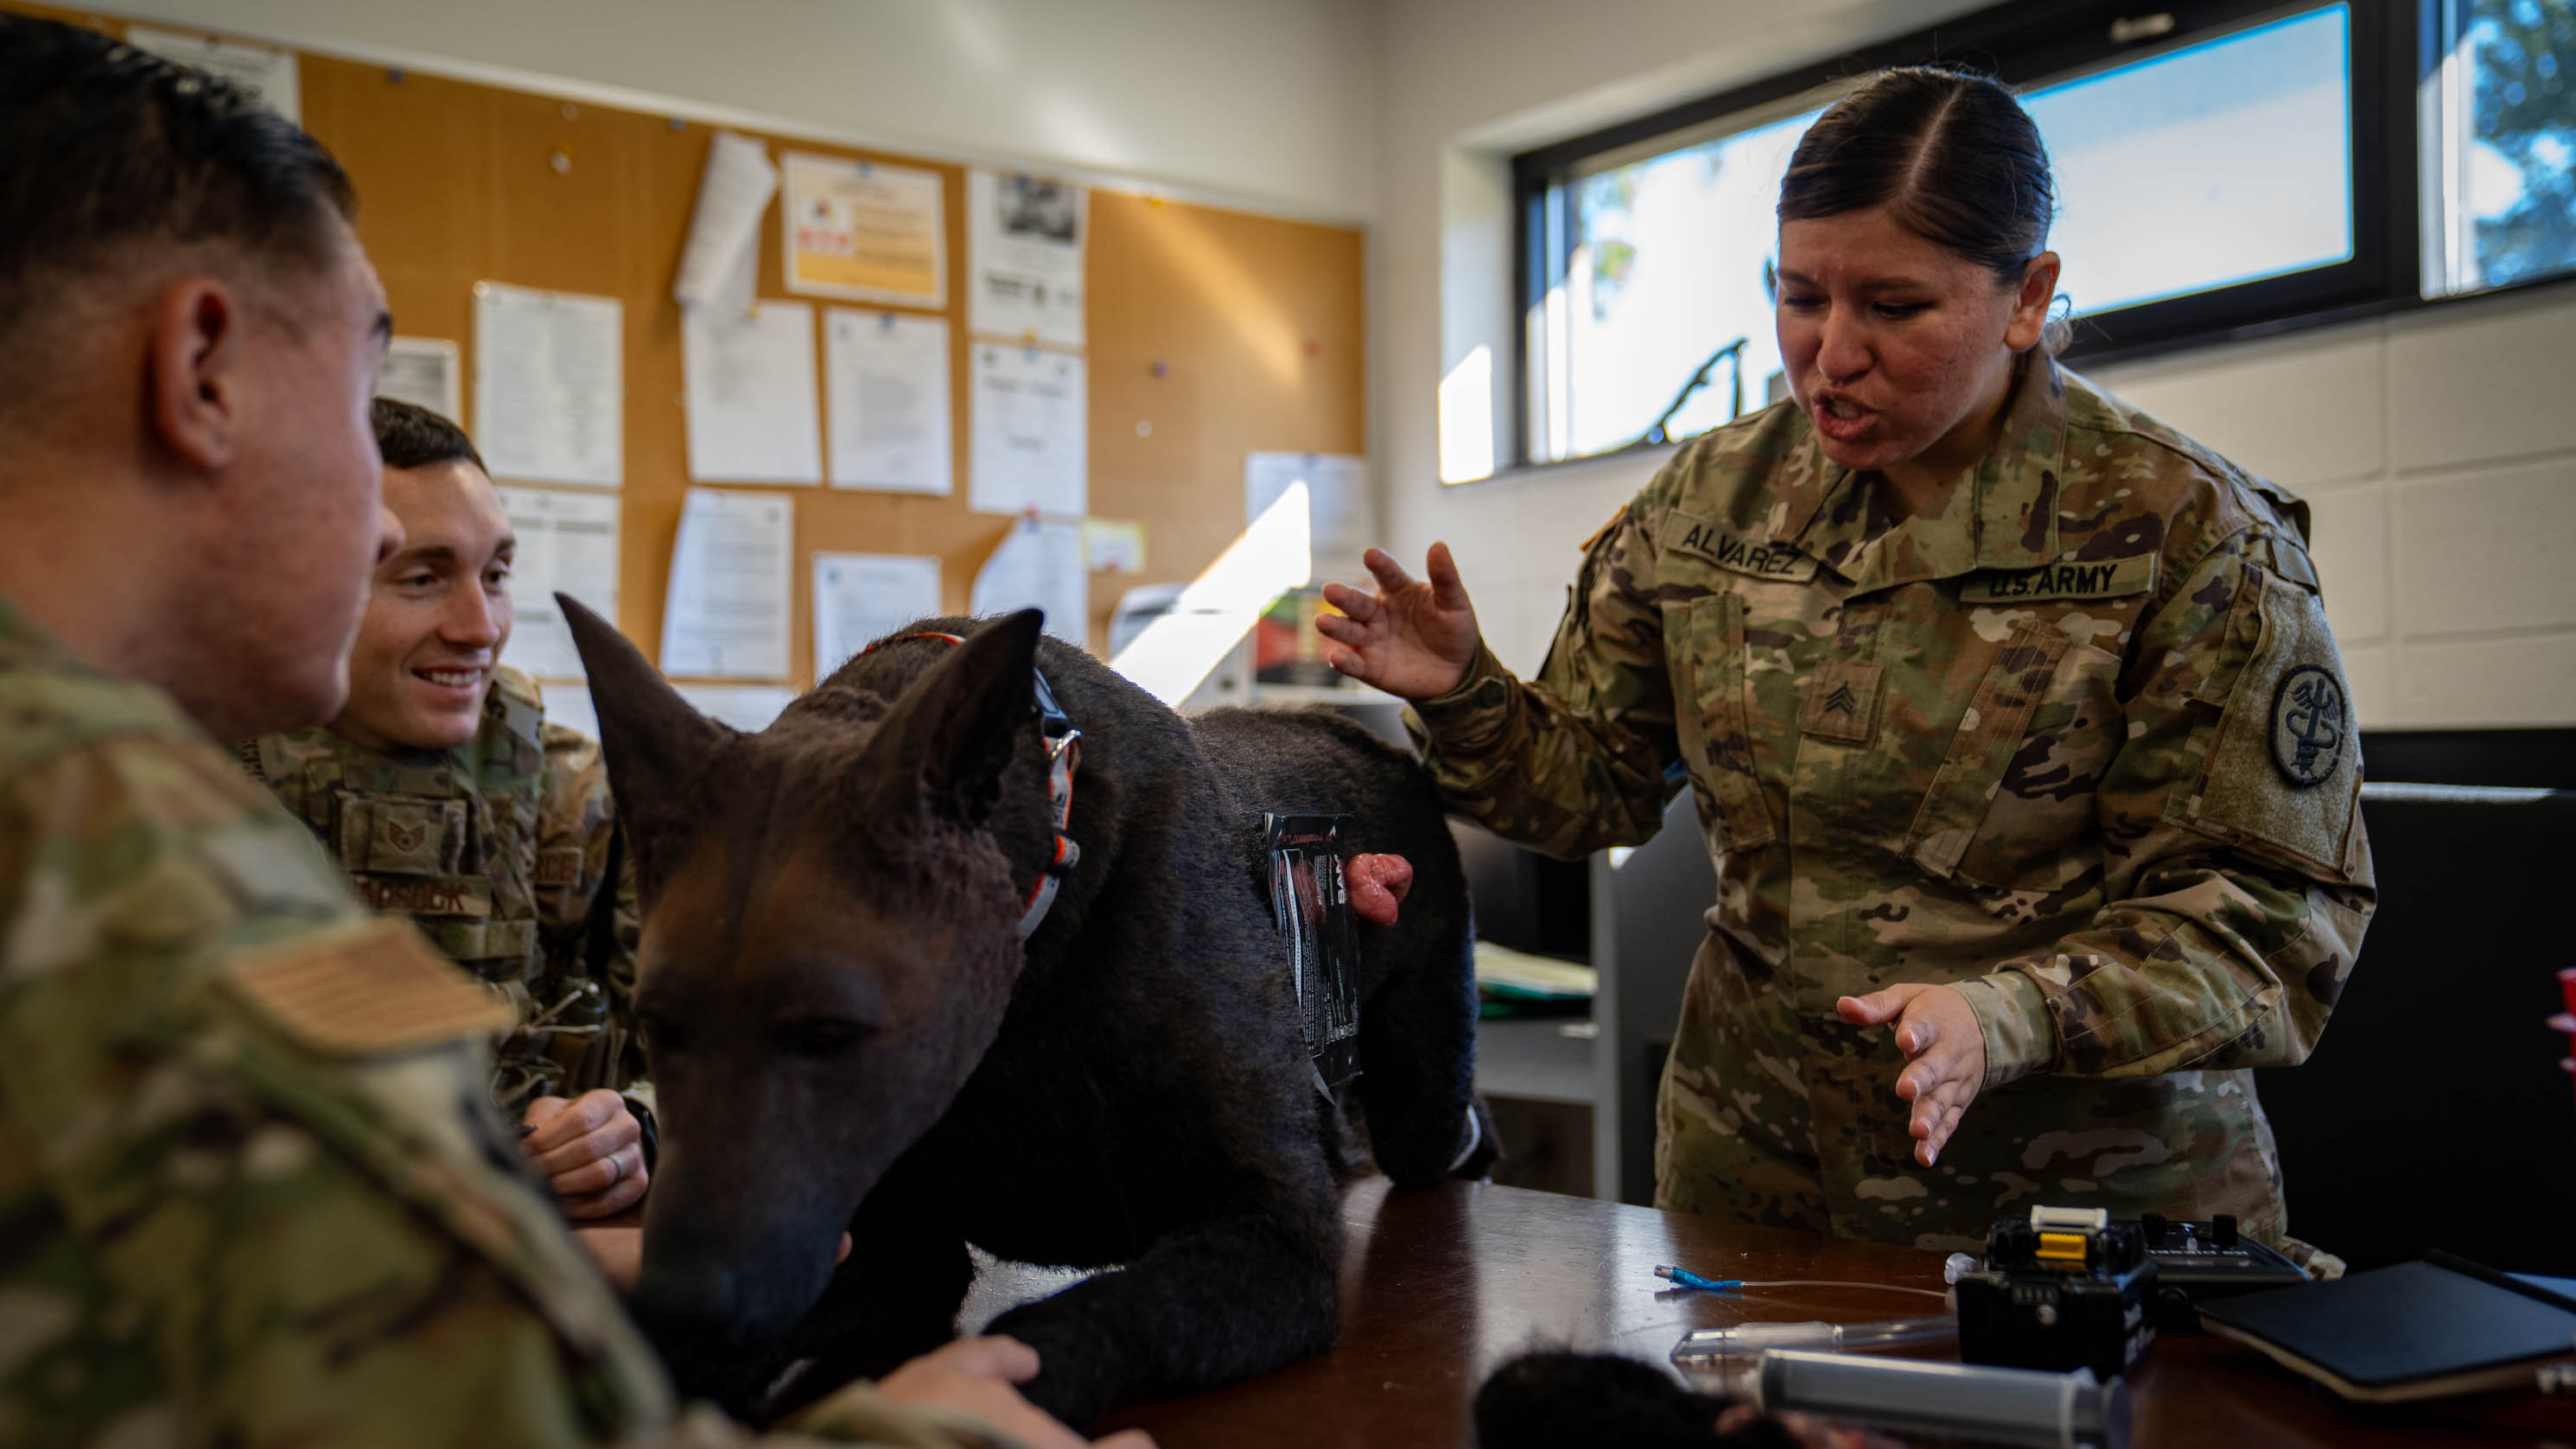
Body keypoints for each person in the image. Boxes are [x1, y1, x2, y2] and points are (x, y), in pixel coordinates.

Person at [0, 16, 1141, 1446]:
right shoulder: (137, 890)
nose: (378, 516)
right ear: (204, 371)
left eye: (493, 569)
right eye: (358, 402)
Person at [1321, 65, 2374, 1256]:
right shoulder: (1710, 497)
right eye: (1800, 295)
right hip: (1753, 1184)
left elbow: (2273, 926)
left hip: (2080, 1207)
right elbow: (1587, 792)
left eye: (1895, 306)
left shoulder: (2189, 535)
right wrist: (1466, 694)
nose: (1831, 355)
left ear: (2026, 296)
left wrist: (2009, 1016)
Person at [243, 397, 652, 1228]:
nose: (480, 627)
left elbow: (719, 1046)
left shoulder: (577, 794)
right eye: (422, 578)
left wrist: (629, 1126)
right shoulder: (190, 790)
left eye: (496, 574)